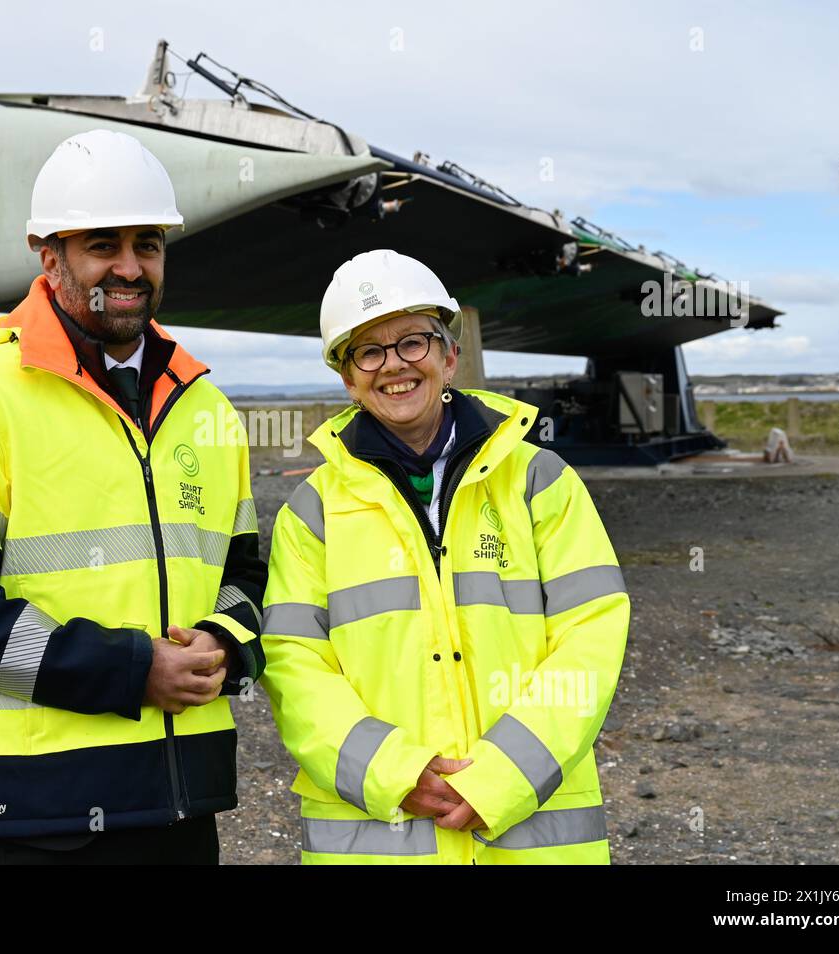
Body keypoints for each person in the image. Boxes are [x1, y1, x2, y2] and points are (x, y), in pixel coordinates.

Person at [0, 129, 266, 865]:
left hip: (186, 801)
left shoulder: (207, 408)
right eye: (103, 244)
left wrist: (225, 644)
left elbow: (248, 575)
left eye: (148, 244)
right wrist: (132, 670)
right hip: (47, 814)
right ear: (49, 256)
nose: (129, 267)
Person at [261, 249, 629, 864]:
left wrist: (505, 775)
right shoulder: (312, 511)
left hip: (531, 841)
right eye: (367, 352)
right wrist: (392, 770)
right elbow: (293, 663)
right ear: (348, 379)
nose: (394, 366)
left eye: (413, 342)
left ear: (449, 355)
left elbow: (591, 634)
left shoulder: (540, 480)